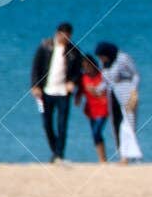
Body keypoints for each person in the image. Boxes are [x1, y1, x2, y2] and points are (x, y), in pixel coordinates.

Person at [30, 23, 84, 162]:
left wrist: (73, 82)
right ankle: (55, 150)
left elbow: (78, 71)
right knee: (46, 123)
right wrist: (35, 86)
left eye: (68, 36)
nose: (65, 39)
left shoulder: (74, 51)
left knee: (62, 124)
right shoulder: (45, 47)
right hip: (46, 92)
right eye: (63, 36)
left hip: (63, 93)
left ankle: (59, 154)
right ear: (58, 34)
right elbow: (36, 66)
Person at [96, 41, 142, 163]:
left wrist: (134, 91)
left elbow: (135, 75)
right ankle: (122, 155)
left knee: (128, 124)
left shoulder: (123, 58)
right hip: (112, 95)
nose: (101, 59)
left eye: (102, 56)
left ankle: (129, 155)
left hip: (126, 93)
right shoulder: (105, 63)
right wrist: (97, 90)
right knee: (115, 124)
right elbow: (106, 81)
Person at [80, 61, 112, 163]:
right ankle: (101, 158)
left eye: (88, 66)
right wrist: (78, 98)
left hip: (103, 108)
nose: (87, 69)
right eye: (84, 67)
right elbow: (81, 91)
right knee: (95, 133)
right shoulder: (84, 78)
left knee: (96, 131)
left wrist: (96, 91)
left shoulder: (102, 76)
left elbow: (108, 89)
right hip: (91, 109)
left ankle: (103, 158)